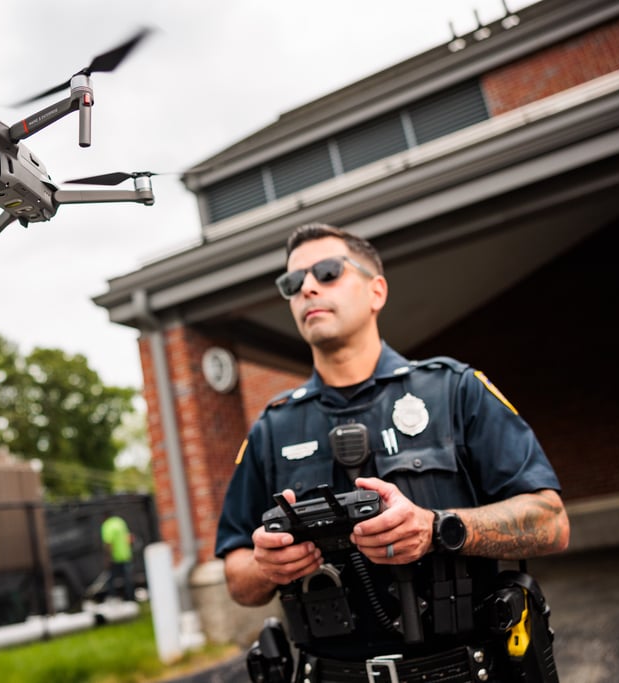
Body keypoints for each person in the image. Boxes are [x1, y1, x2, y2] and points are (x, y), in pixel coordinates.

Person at [215, 223, 570, 682]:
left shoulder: (454, 390)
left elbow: (552, 522)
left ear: (376, 290)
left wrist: (438, 527)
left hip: (459, 672)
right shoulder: (273, 427)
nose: (306, 288)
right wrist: (266, 567)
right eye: (292, 282)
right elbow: (236, 577)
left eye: (326, 272)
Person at [101, 512, 135, 601]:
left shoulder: (107, 526)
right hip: (126, 555)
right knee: (128, 579)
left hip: (115, 557)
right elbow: (129, 537)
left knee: (111, 580)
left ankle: (114, 599)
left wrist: (107, 559)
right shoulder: (120, 522)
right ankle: (131, 599)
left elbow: (109, 544)